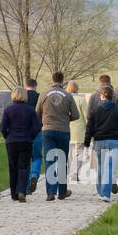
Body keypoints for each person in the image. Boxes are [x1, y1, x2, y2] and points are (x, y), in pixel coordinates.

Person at [36, 70, 79, 201]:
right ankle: (62, 192)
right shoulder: (68, 95)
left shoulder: (44, 94)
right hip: (63, 131)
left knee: (49, 160)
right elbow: (76, 115)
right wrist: (65, 119)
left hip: (47, 130)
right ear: (62, 81)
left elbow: (37, 113)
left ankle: (50, 192)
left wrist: (45, 121)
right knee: (62, 161)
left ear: (52, 80)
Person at [84, 84, 118, 202]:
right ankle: (105, 193)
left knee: (101, 167)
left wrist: (87, 144)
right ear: (112, 97)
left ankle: (100, 191)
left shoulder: (94, 111)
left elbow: (89, 128)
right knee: (109, 166)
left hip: (98, 142)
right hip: (113, 141)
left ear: (102, 96)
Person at [0, 86, 41, 202]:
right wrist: (31, 136)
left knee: (13, 168)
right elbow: (37, 126)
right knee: (24, 167)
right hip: (26, 141)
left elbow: (2, 127)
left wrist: (6, 136)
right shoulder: (30, 110)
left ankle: (14, 194)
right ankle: (21, 191)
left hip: (11, 141)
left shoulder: (8, 110)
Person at [24, 78, 44, 194]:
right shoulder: (40, 97)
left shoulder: (22, 98)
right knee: (37, 157)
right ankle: (34, 175)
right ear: (35, 86)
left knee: (25, 159)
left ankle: (26, 188)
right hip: (37, 132)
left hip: (24, 132)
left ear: (26, 86)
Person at [66, 80, 88, 182]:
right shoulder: (81, 100)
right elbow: (87, 117)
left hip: (67, 130)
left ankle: (69, 172)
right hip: (79, 132)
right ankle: (76, 173)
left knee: (69, 154)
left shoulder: (65, 99)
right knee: (79, 154)